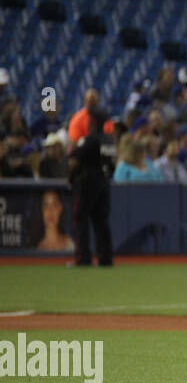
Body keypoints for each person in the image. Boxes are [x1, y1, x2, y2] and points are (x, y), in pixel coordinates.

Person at [67, 106, 114, 266]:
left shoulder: (91, 139)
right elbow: (112, 164)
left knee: (80, 218)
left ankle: (83, 258)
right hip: (104, 183)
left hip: (88, 183)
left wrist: (71, 177)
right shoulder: (109, 139)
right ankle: (105, 258)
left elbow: (75, 160)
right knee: (101, 221)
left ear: (92, 122)